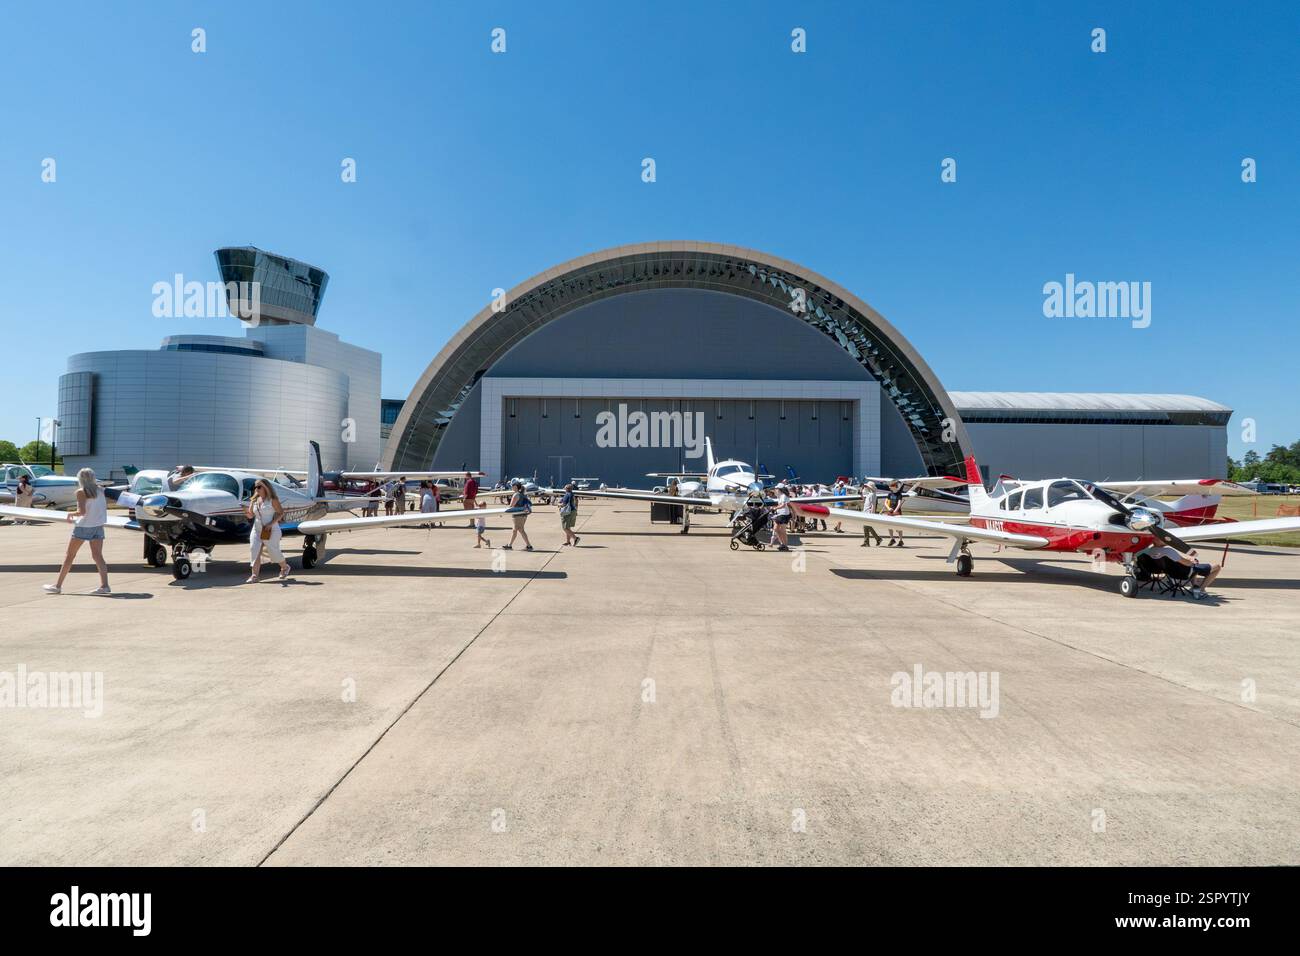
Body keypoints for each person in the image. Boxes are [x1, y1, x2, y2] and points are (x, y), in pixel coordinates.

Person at [43, 468, 110, 595]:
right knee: (98, 556)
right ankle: (104, 585)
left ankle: (57, 586)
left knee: (69, 556)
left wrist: (70, 513)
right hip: (98, 526)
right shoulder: (100, 490)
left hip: (84, 527)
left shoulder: (81, 492)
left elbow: (82, 512)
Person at [245, 478, 288, 583]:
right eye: (255, 487)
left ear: (266, 488)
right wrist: (246, 511)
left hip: (271, 530)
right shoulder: (254, 500)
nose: (256, 489)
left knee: (273, 552)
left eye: (259, 487)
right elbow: (250, 516)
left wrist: (271, 524)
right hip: (257, 529)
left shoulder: (272, 500)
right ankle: (254, 575)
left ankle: (285, 567)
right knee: (254, 550)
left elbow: (281, 513)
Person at [1141, 542, 1222, 598]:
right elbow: (1188, 564)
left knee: (1192, 562)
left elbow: (1179, 559)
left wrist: (1189, 559)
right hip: (1184, 572)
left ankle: (1194, 586)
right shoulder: (1168, 551)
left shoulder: (1149, 550)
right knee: (1217, 566)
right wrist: (1192, 561)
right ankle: (1201, 589)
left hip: (1170, 572)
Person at [502, 480, 533, 551]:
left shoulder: (516, 494)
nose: (511, 487)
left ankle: (529, 546)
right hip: (523, 514)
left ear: (515, 487)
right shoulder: (522, 494)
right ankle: (509, 545)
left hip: (518, 515)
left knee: (521, 530)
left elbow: (511, 505)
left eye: (512, 486)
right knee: (515, 530)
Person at [860, 481, 882, 547]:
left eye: (867, 486)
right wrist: (861, 493)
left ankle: (876, 539)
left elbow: (873, 505)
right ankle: (870, 541)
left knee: (867, 527)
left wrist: (872, 514)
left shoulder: (872, 495)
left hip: (868, 513)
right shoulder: (870, 494)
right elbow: (864, 500)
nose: (866, 487)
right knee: (866, 527)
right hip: (866, 512)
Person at [559, 482, 581, 547]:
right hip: (573, 511)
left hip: (568, 512)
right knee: (568, 527)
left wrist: (559, 505)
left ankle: (575, 538)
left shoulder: (567, 495)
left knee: (565, 528)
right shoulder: (572, 494)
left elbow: (564, 504)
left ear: (566, 489)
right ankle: (568, 542)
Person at [771, 482, 792, 552]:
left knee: (783, 531)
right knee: (776, 529)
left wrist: (775, 508)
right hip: (779, 514)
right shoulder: (779, 496)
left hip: (784, 515)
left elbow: (783, 505)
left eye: (776, 488)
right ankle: (782, 543)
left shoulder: (783, 496)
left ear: (779, 489)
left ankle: (785, 545)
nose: (775, 489)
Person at [885, 480, 905, 547]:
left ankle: (901, 540)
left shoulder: (899, 494)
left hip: (897, 513)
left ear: (895, 486)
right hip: (890, 512)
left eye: (891, 485)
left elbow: (899, 504)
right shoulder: (890, 494)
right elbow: (885, 503)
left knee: (898, 527)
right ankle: (892, 539)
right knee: (889, 527)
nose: (890, 487)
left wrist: (895, 511)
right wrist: (888, 508)